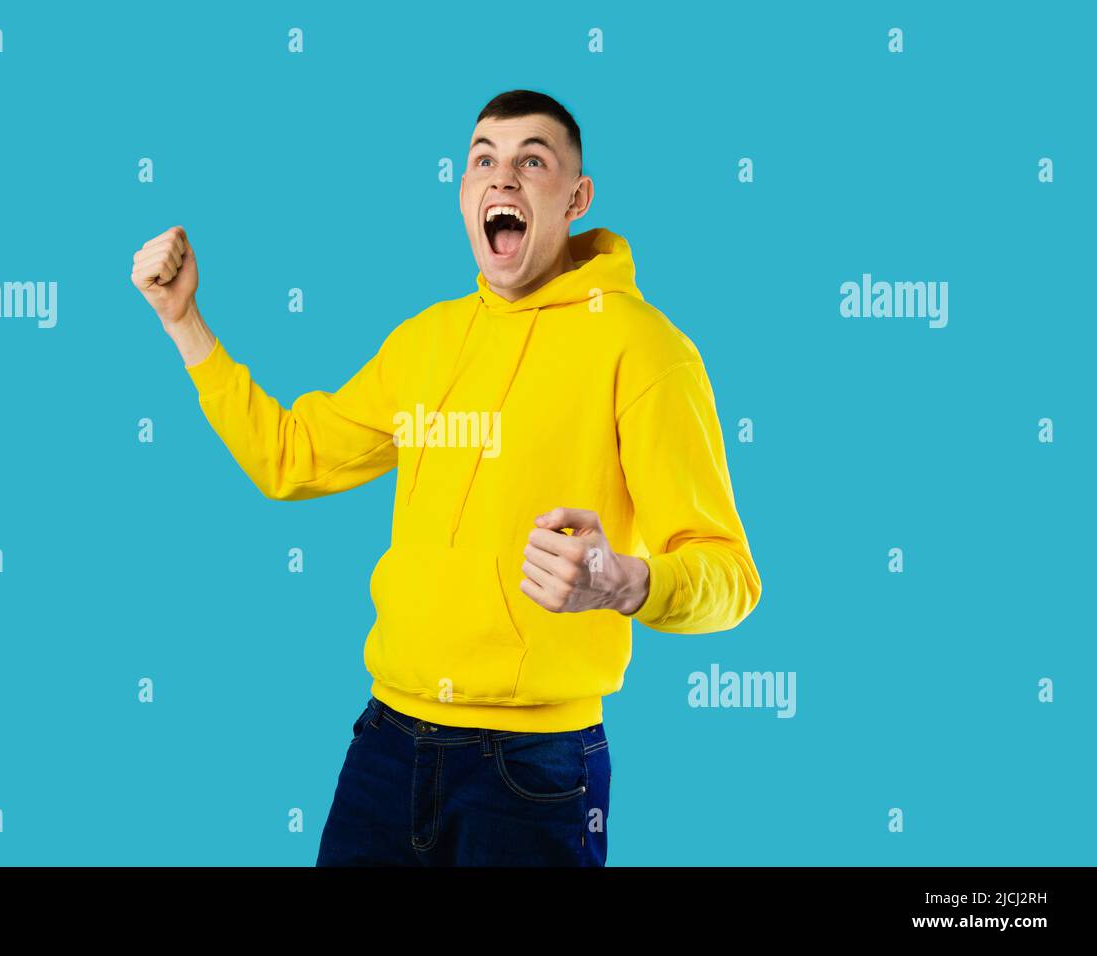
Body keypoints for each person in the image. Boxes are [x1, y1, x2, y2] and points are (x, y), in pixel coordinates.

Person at [130, 89, 762, 866]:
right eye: (483, 161)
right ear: (464, 194)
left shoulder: (645, 348)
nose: (504, 178)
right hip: (387, 747)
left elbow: (730, 575)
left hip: (534, 767)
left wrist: (625, 581)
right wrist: (183, 321)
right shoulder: (423, 342)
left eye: (534, 161)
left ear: (576, 199)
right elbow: (288, 459)